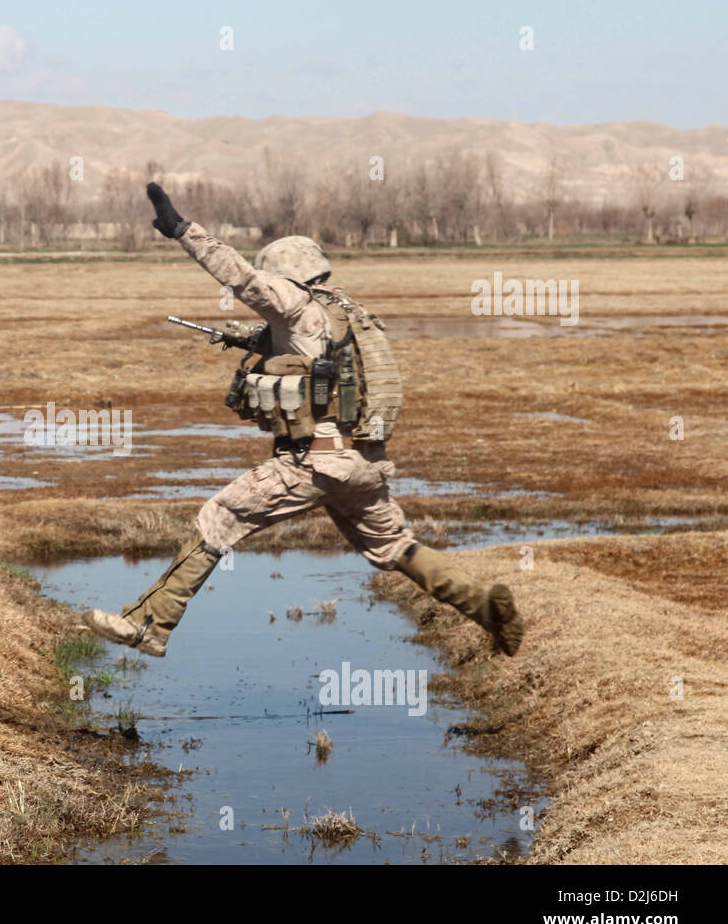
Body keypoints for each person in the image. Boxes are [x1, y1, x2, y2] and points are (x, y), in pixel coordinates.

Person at [81, 183, 524, 658]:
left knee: (220, 517)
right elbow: (323, 362)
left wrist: (183, 231)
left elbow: (241, 278)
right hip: (364, 463)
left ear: (285, 274)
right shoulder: (345, 310)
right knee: (393, 545)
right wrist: (261, 344)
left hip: (314, 463)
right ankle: (486, 610)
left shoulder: (289, 301)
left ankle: (149, 624)